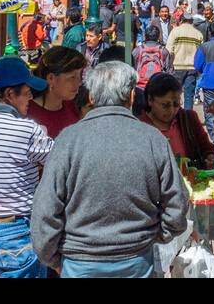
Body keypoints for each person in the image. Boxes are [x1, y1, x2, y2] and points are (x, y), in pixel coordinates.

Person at [31, 60, 190, 278]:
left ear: (92, 98)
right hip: (136, 262)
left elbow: (45, 209)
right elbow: (178, 207)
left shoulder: (68, 140)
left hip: (80, 264)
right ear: (132, 96)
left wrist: (53, 259)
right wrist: (154, 237)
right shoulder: (153, 139)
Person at [0, 57, 55, 278]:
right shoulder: (27, 129)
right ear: (9, 95)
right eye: (27, 93)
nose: (30, 99)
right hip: (15, 232)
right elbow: (60, 162)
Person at [140, 71, 214, 169]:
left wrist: (210, 157)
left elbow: (206, 148)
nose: (171, 110)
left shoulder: (189, 119)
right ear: (150, 100)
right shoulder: (140, 126)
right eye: (165, 105)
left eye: (176, 104)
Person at [27, 46, 86, 138]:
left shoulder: (71, 106)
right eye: (72, 77)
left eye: (80, 76)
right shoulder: (27, 114)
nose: (78, 82)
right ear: (51, 78)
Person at [169, 6, 205, 109]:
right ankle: (188, 120)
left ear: (181, 20)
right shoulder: (198, 34)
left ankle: (175, 119)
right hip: (192, 69)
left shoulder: (175, 32)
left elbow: (169, 50)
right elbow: (200, 53)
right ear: (191, 21)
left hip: (177, 68)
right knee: (189, 96)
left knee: (174, 95)